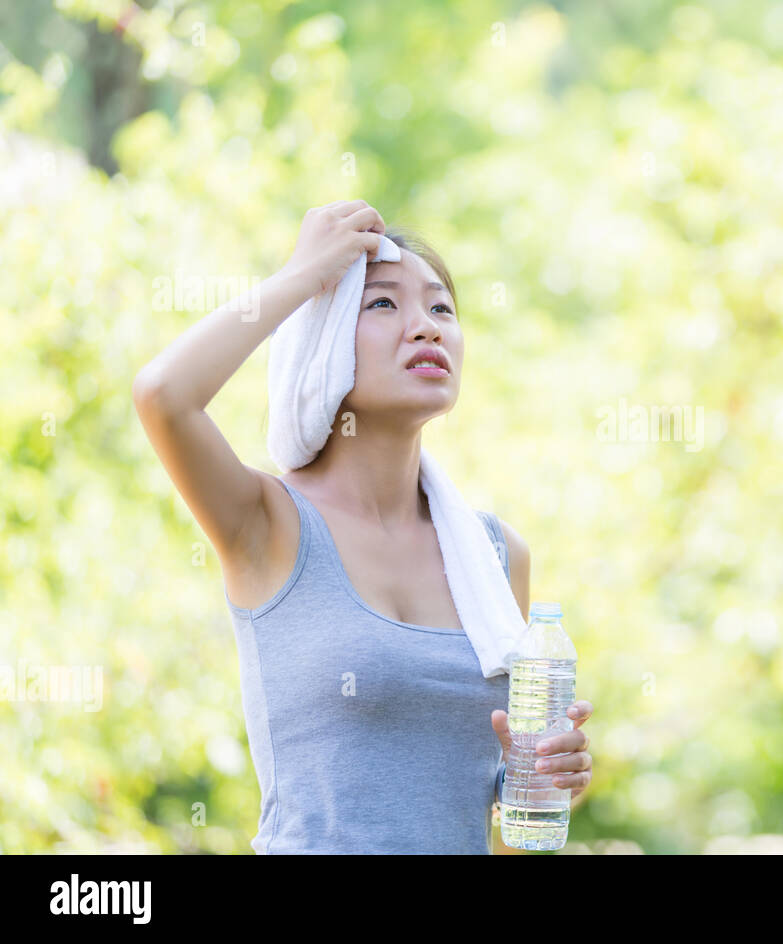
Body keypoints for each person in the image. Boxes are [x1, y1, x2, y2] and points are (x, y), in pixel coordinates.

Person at [132, 200, 593, 853]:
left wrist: (545, 780)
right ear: (323, 342)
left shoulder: (495, 554)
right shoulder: (268, 523)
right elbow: (162, 394)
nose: (426, 327)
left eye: (441, 308)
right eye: (383, 305)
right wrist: (302, 275)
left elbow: (501, 825)